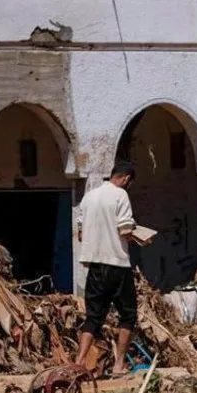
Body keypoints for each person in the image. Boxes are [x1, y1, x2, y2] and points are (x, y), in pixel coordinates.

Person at [75, 160, 138, 376]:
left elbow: (81, 232)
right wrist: (138, 237)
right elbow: (125, 229)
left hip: (95, 265)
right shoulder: (121, 195)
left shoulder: (89, 196)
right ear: (126, 179)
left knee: (93, 317)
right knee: (128, 315)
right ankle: (119, 364)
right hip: (117, 264)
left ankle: (79, 362)